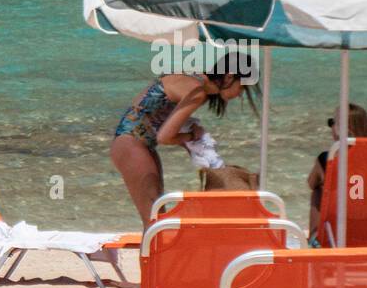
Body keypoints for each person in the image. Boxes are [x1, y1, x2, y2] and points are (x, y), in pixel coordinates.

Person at [110, 53, 258, 225]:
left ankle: (156, 251)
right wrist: (190, 136)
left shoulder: (194, 78)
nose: (240, 94)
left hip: (135, 144)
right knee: (154, 222)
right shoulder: (198, 91)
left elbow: (159, 113)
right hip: (132, 145)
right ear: (230, 76)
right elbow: (165, 137)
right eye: (243, 87)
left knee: (157, 219)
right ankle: (151, 252)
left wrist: (190, 133)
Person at [308, 104, 367, 239]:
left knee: (317, 191)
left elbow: (311, 183)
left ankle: (314, 237)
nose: (330, 126)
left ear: (339, 130)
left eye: (332, 123)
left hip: (336, 234)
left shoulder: (327, 159)